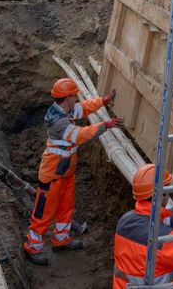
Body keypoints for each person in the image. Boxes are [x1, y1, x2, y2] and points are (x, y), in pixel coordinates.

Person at [22, 78, 121, 265]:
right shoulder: (58, 122)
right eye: (74, 95)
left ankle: (61, 239)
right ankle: (32, 248)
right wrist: (104, 126)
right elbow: (79, 135)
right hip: (52, 175)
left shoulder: (65, 109)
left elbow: (83, 108)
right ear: (67, 98)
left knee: (66, 208)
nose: (77, 98)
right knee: (44, 212)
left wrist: (104, 100)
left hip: (65, 172)